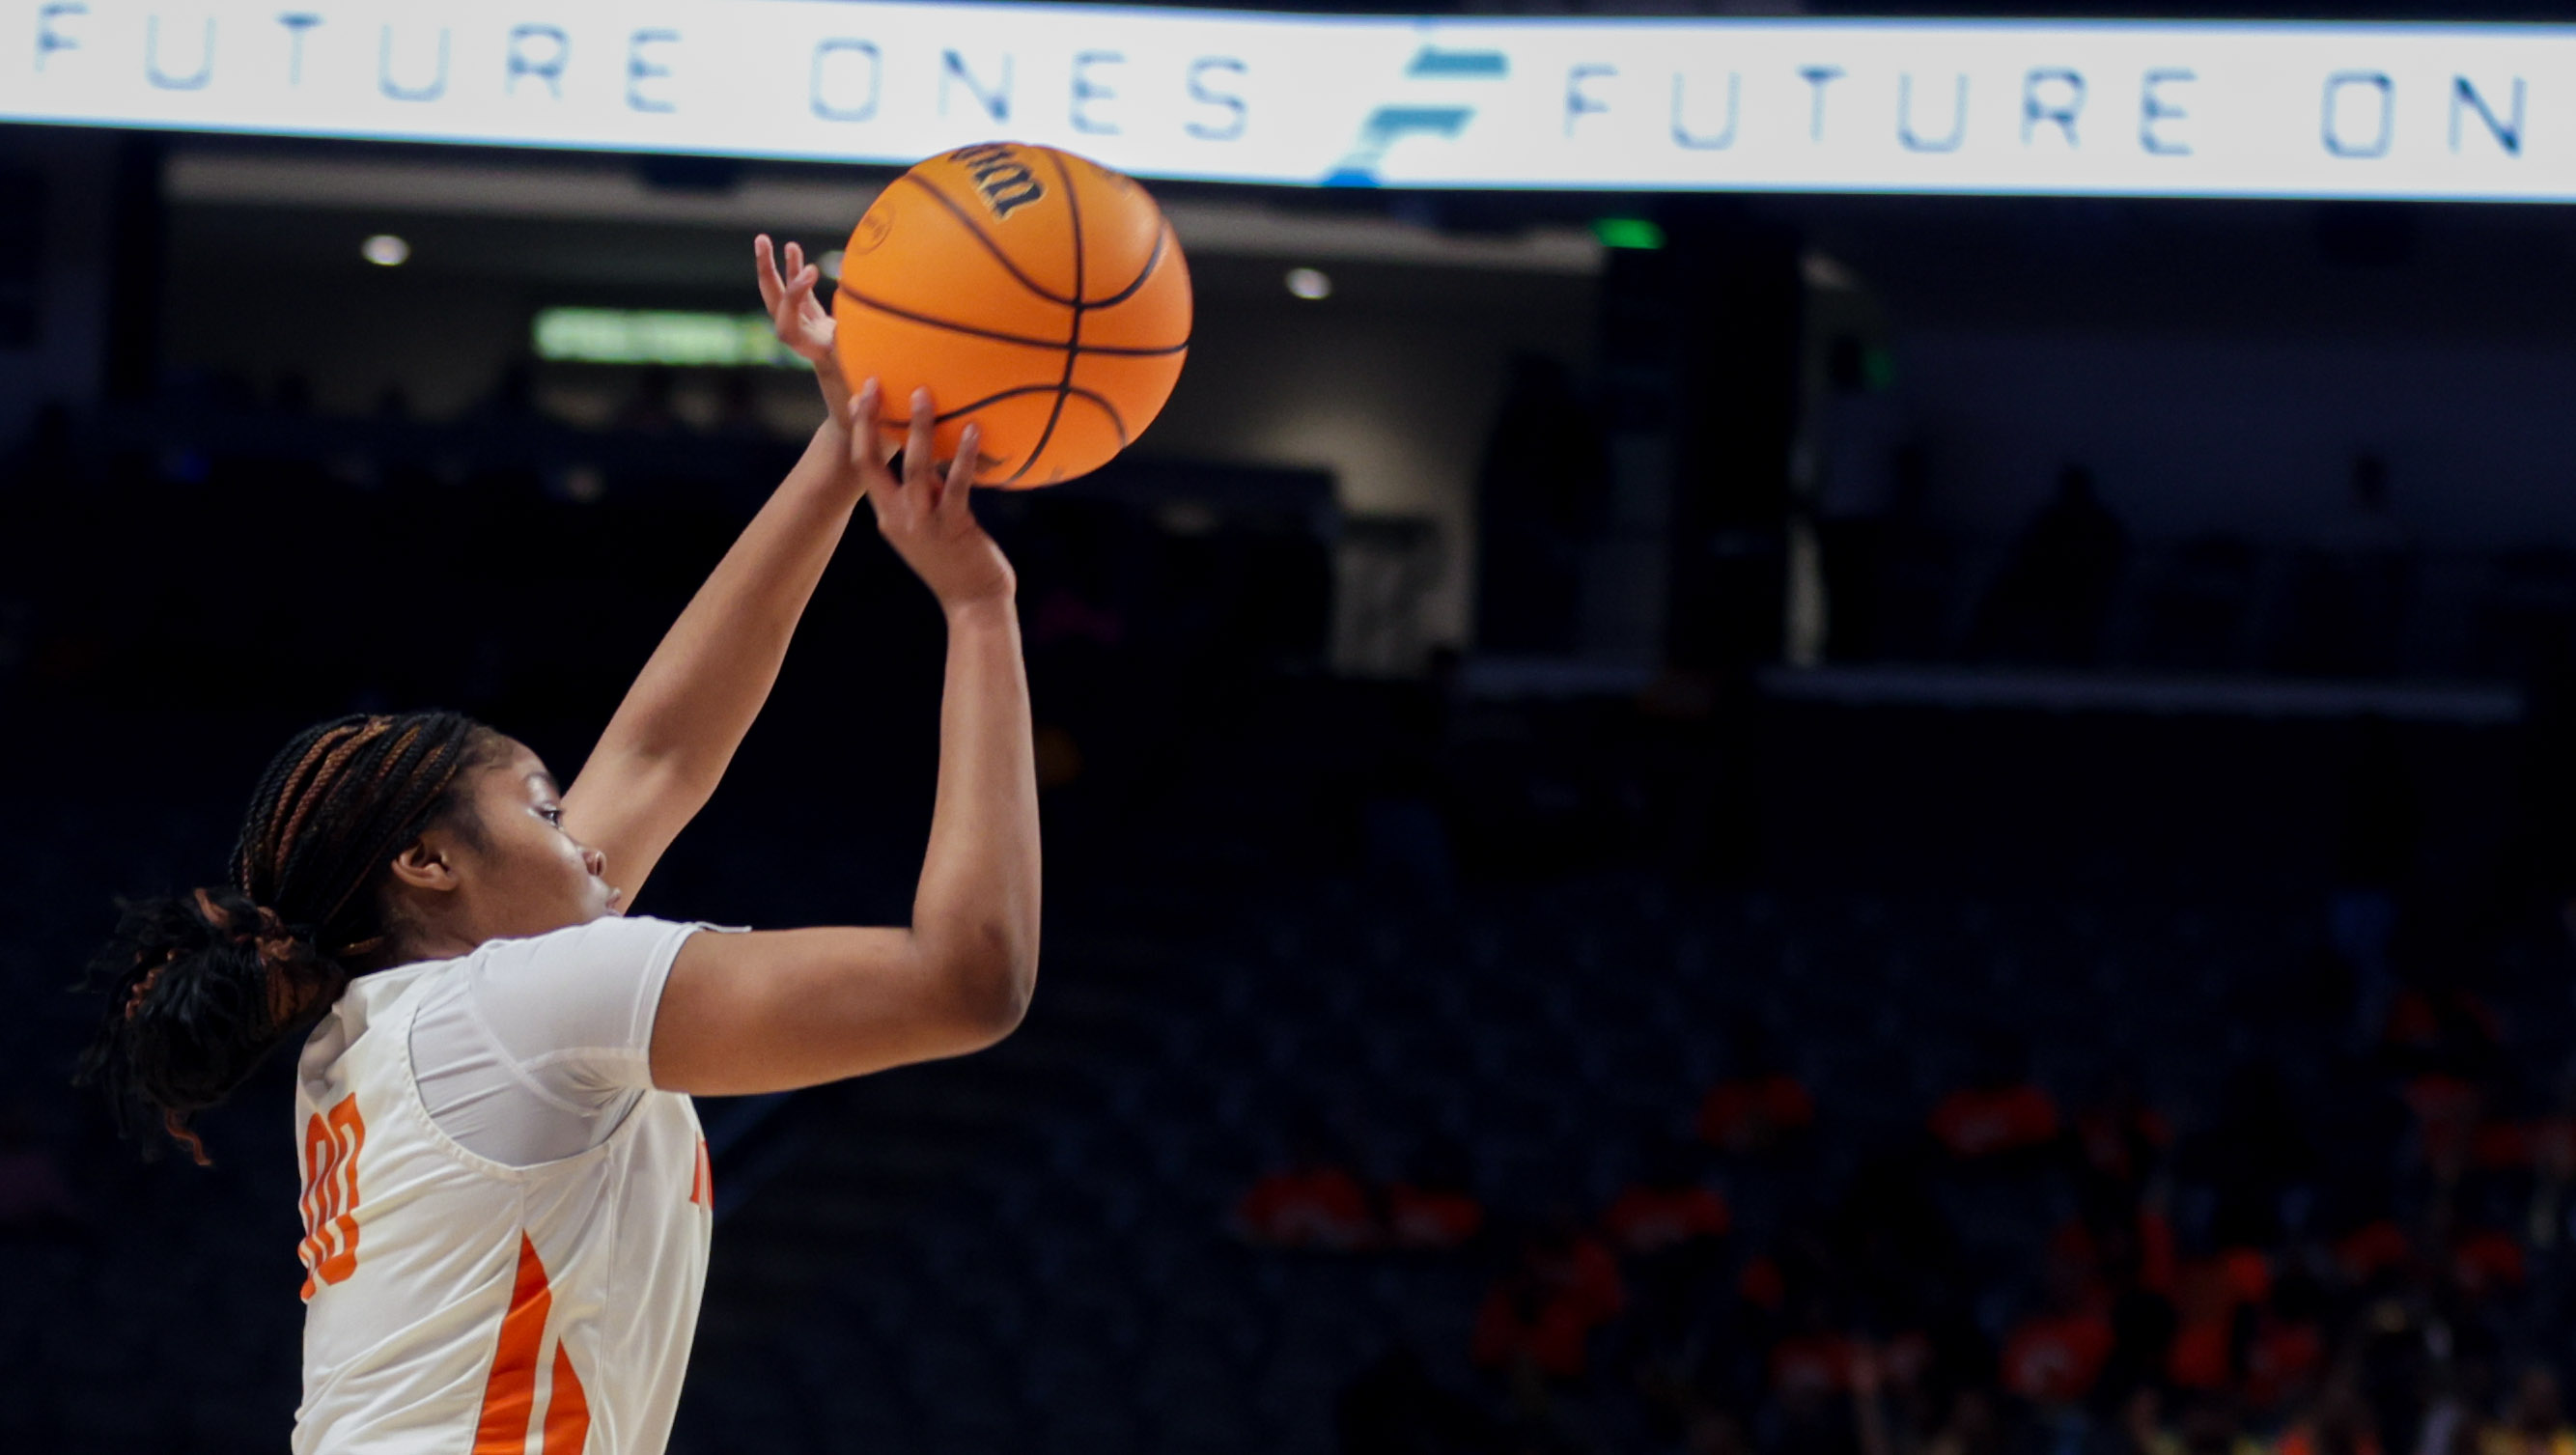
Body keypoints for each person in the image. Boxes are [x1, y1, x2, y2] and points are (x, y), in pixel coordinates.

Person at [72, 236, 1041, 1455]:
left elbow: (663, 758)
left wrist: (843, 447)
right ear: (427, 863)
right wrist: (978, 608)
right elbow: (969, 980)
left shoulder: (411, 1019)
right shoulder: (511, 1009)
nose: (585, 836)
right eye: (543, 811)